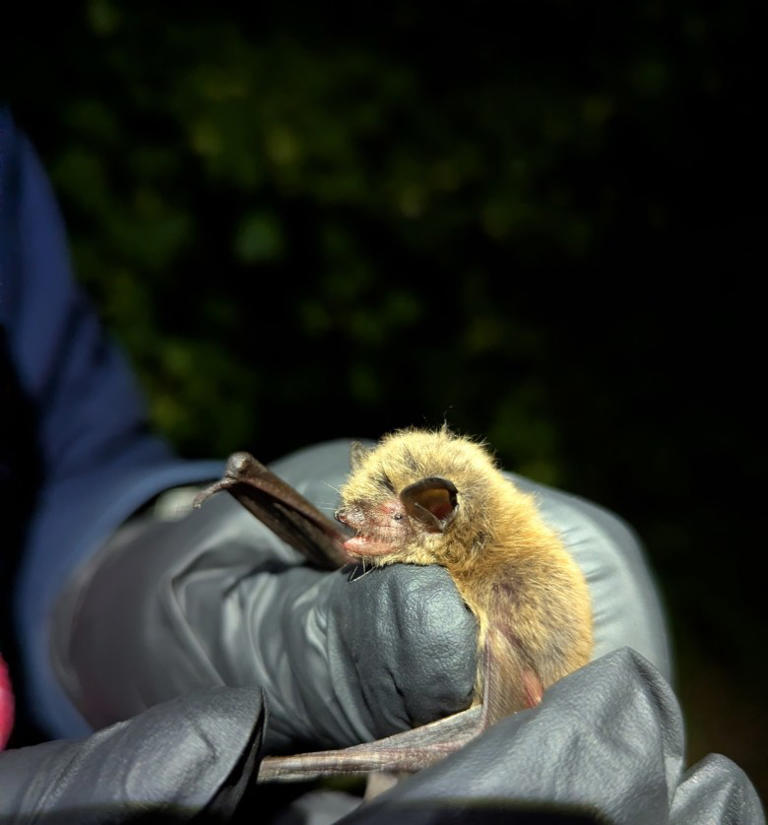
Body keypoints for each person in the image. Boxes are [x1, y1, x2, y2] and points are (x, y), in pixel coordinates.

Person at [0, 107, 762, 824]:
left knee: (510, 751)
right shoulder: (426, 530)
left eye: (382, 513)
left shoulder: (504, 596)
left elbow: (74, 438)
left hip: (514, 659)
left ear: (435, 515)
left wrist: (106, 581)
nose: (356, 522)